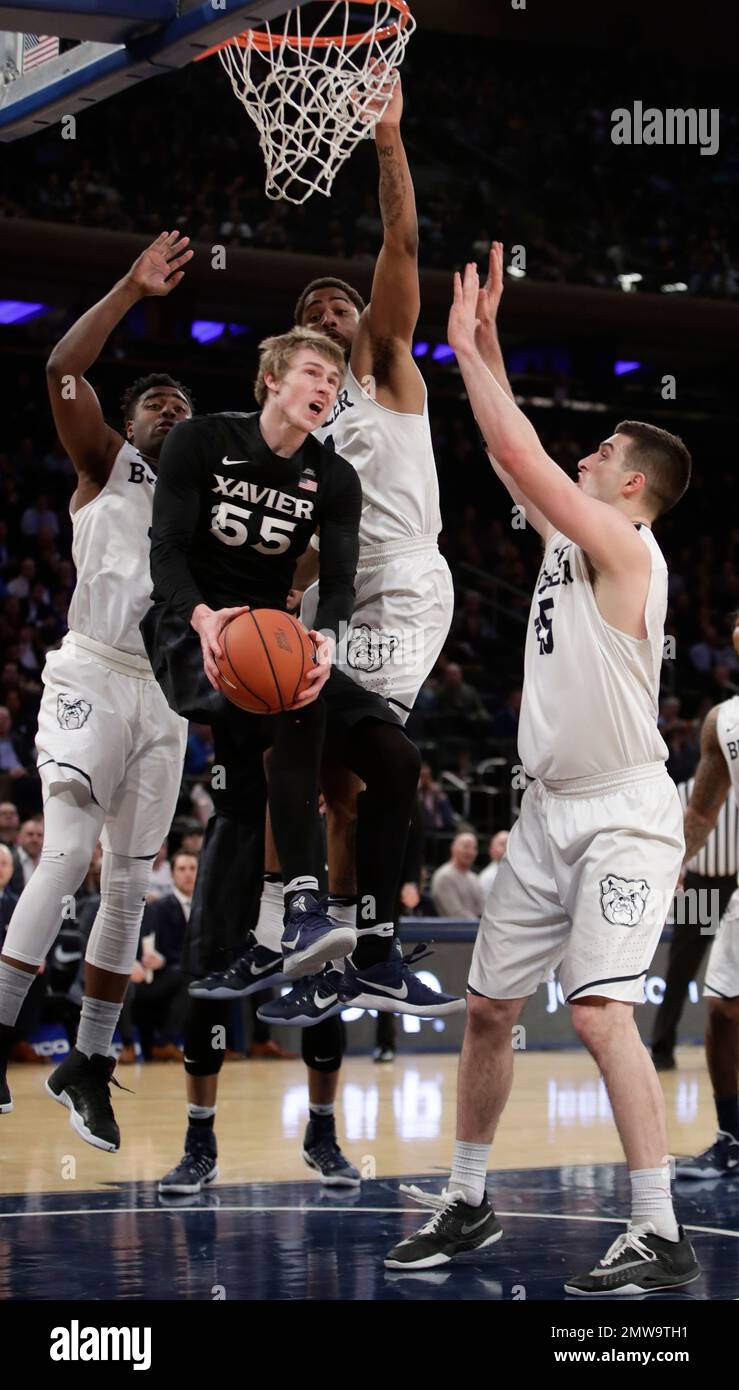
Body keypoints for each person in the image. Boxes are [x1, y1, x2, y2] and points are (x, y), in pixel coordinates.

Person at [385, 249, 699, 1295]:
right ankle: (468, 1199)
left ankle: (656, 1228)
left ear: (633, 486)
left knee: (601, 1009)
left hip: (622, 815)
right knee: (486, 1008)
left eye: (604, 446)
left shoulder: (625, 548)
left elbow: (514, 456)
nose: (588, 451)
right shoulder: (581, 533)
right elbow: (511, 440)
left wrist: (469, 346)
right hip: (548, 812)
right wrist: (481, 343)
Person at [0, 232, 193, 1140]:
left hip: (165, 701)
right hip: (92, 670)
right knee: (69, 851)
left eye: (182, 402)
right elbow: (59, 365)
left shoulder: (210, 510)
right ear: (132, 420)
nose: (170, 405)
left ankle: (91, 1060)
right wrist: (130, 286)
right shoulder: (105, 465)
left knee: (130, 888)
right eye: (155, 398)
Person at [669, 622, 739, 1178]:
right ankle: (731, 1138)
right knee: (721, 1010)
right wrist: (673, 862)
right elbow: (701, 809)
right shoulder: (724, 720)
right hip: (728, 886)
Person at [651, 782, 738, 1071]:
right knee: (680, 969)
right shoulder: (683, 791)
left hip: (735, 886)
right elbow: (667, 835)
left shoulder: (736, 788)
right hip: (700, 887)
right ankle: (662, 1047)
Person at [431, 833, 485, 919]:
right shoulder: (444, 877)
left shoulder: (474, 878)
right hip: (453, 930)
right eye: (466, 846)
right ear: (453, 848)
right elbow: (455, 913)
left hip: (478, 928)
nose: (470, 852)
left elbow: (483, 910)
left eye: (474, 848)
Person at [478, 830, 509, 897]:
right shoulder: (487, 877)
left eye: (509, 844)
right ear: (491, 850)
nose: (507, 847)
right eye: (502, 844)